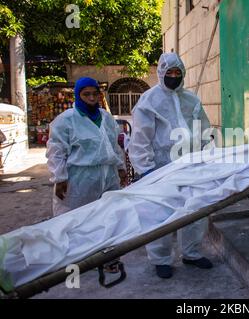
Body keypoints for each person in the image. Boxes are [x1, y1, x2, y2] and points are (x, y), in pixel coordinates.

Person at [128, 52, 212, 279]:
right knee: (159, 214)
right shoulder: (149, 101)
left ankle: (191, 253)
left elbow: (205, 130)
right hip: (160, 167)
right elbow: (140, 139)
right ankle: (161, 259)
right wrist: (146, 169)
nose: (173, 77)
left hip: (191, 166)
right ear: (161, 73)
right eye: (169, 73)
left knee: (195, 209)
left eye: (177, 73)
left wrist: (208, 154)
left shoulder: (191, 99)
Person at [46, 77, 127, 217]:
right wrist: (59, 178)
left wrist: (121, 167)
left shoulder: (106, 117)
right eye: (86, 94)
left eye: (95, 94)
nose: (91, 98)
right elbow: (56, 151)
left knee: (108, 216)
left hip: (109, 177)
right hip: (80, 181)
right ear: (78, 95)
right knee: (77, 219)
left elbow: (114, 146)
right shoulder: (66, 120)